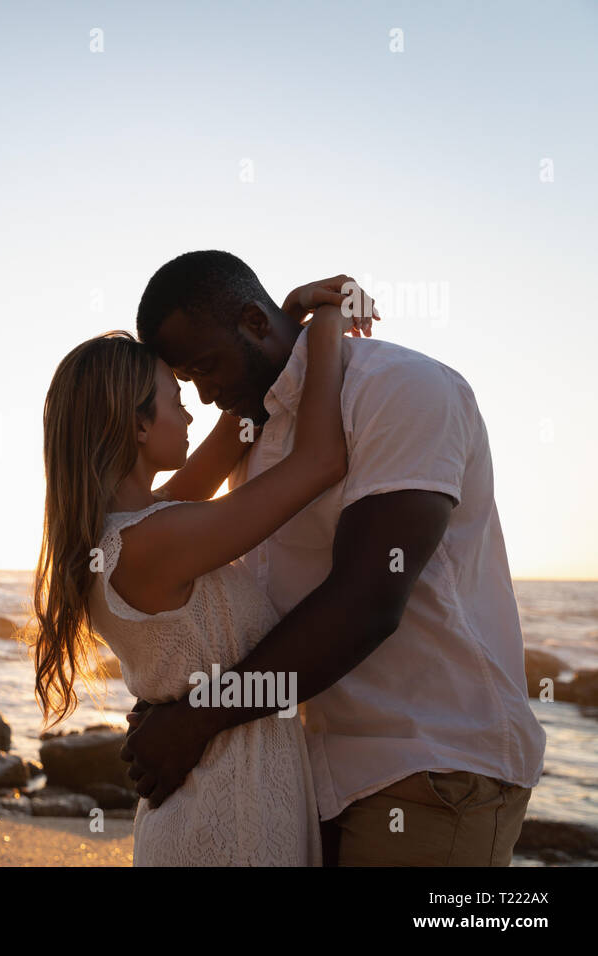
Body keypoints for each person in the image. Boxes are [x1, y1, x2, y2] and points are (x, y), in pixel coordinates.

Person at [122, 250, 546, 866]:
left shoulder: (400, 389)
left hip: (430, 765)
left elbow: (369, 599)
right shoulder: (252, 430)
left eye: (207, 367)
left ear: (254, 321)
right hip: (313, 776)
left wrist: (195, 719)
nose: (207, 395)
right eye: (187, 381)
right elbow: (160, 542)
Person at [31, 283, 364, 864]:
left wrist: (276, 330)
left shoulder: (137, 528)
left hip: (223, 807)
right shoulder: (151, 542)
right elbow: (320, 461)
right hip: (227, 822)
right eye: (174, 397)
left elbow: (244, 421)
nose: (194, 408)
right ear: (137, 426)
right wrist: (328, 322)